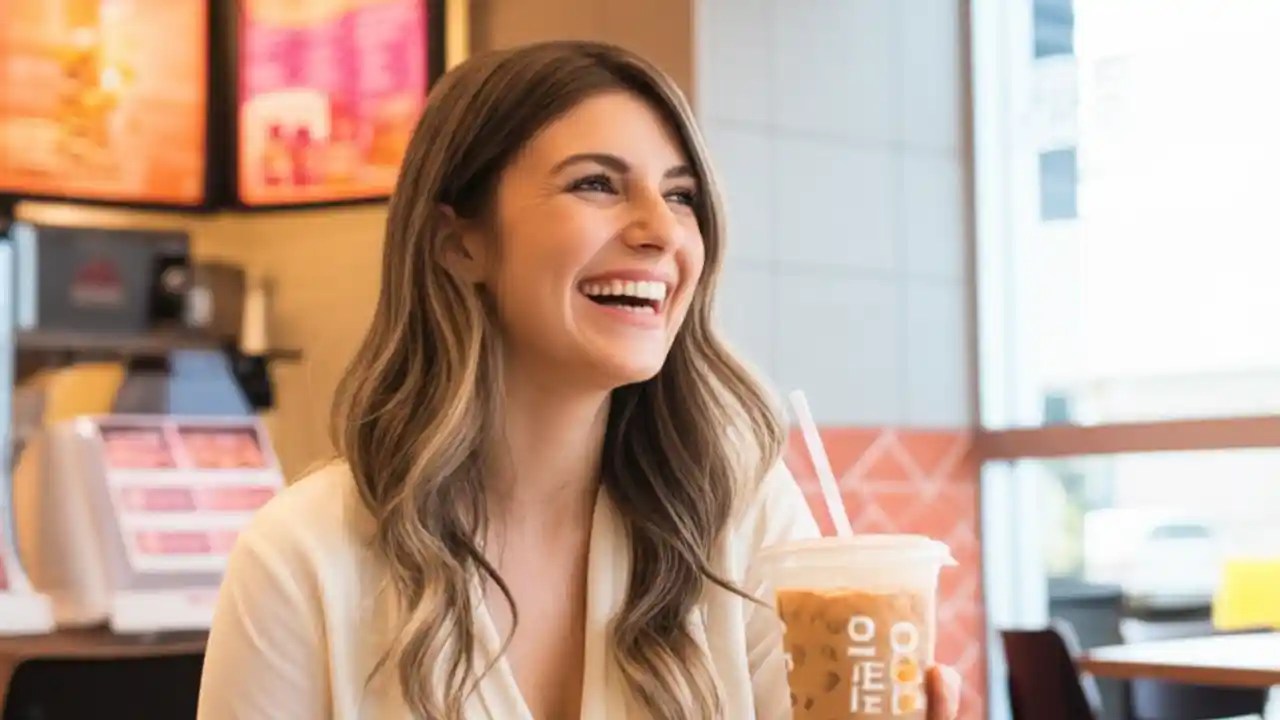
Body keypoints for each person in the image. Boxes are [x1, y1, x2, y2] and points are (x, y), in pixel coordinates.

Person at [196, 40, 963, 720]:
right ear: (457, 245)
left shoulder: (736, 516)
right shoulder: (303, 559)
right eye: (596, 184)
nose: (660, 231)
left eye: (681, 196)